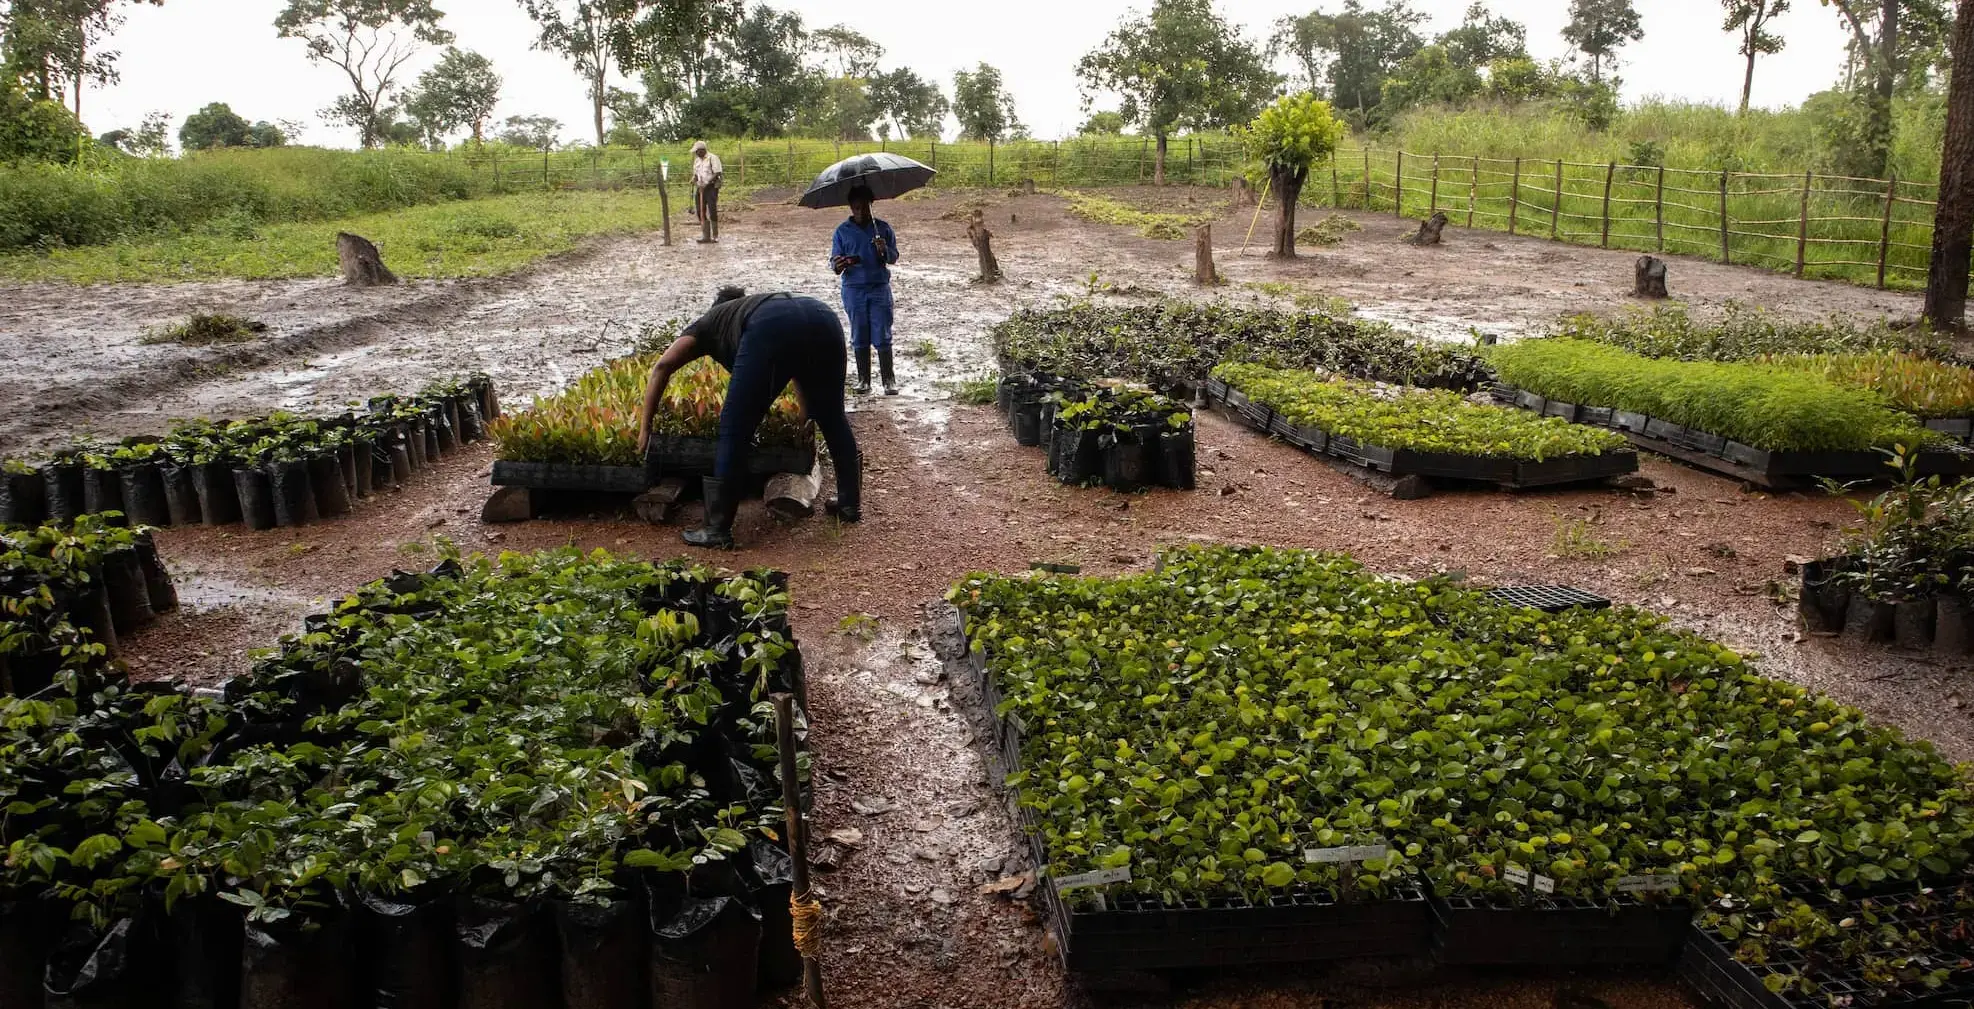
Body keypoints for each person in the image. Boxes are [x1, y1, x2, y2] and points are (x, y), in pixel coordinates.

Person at [637, 286, 861, 549]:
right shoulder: (755, 308)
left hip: (775, 329)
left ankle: (716, 529)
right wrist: (806, 414)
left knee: (734, 427)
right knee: (832, 415)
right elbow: (799, 364)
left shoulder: (706, 324)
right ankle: (849, 504)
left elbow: (663, 366)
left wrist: (645, 428)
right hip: (823, 316)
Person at [830, 185, 900, 395]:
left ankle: (888, 380)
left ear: (872, 205)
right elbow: (834, 262)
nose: (861, 213)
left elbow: (893, 257)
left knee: (882, 332)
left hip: (879, 288)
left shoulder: (883, 229)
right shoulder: (842, 232)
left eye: (865, 208)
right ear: (851, 207)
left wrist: (883, 249)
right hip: (853, 289)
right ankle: (864, 380)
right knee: (859, 332)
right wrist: (839, 264)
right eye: (856, 208)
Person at [692, 140, 723, 243]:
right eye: (696, 152)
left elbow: (717, 172)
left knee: (712, 209)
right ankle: (706, 236)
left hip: (711, 187)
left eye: (697, 151)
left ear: (702, 150)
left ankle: (715, 235)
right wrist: (694, 179)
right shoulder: (697, 160)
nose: (696, 153)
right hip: (700, 187)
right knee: (700, 210)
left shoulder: (713, 158)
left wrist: (707, 182)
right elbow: (696, 174)